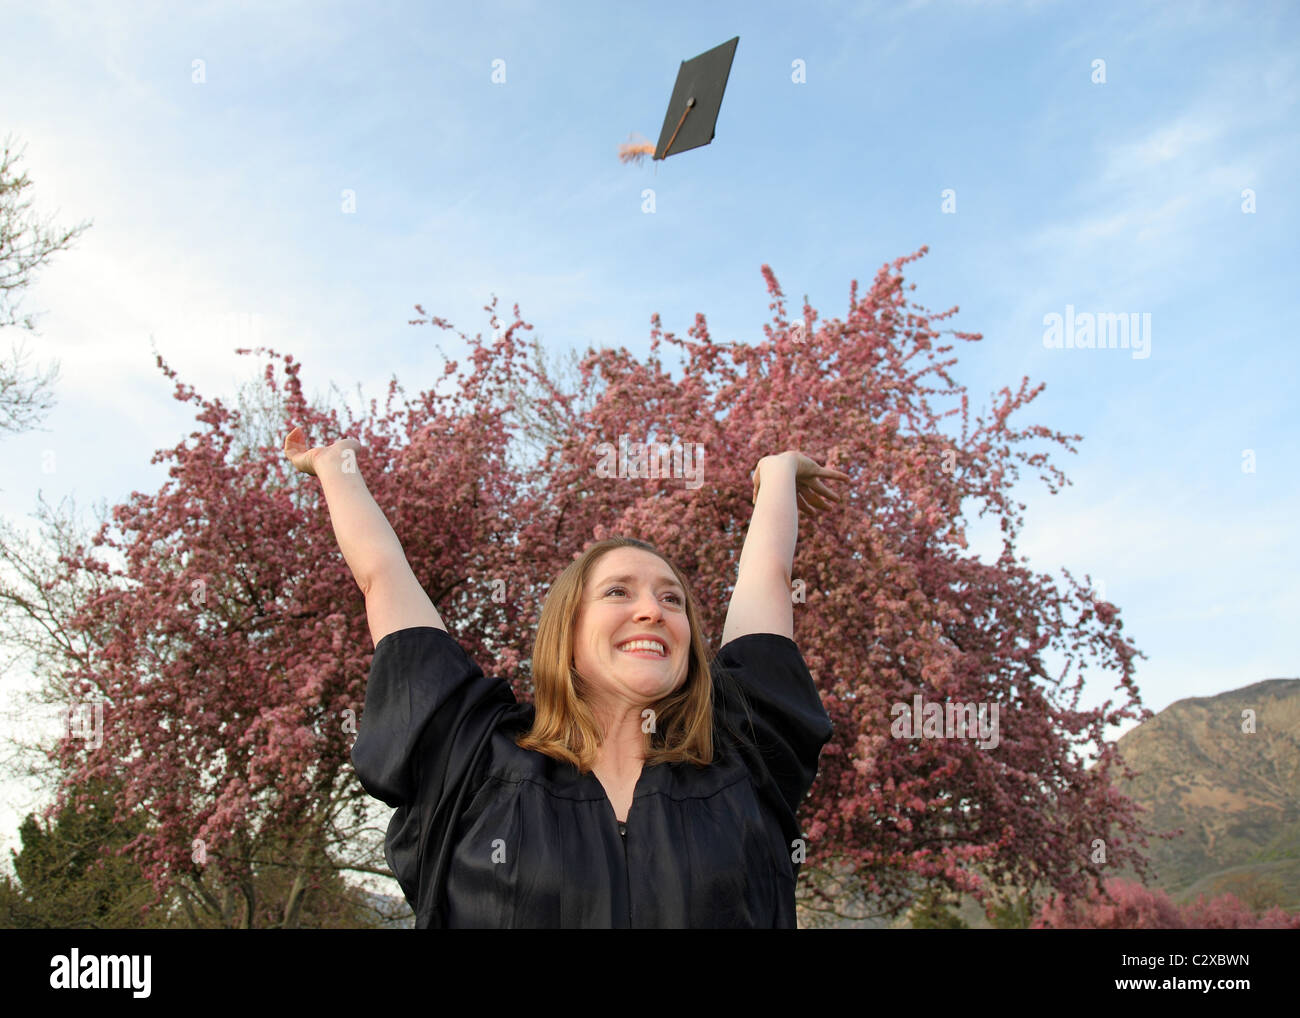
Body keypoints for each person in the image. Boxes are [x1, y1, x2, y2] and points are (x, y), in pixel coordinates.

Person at [284, 427, 848, 927]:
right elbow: (382, 576)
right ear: (569, 633)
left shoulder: (741, 759)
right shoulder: (473, 756)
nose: (652, 611)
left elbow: (767, 579)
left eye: (672, 598)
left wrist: (777, 476)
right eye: (618, 591)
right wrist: (337, 468)